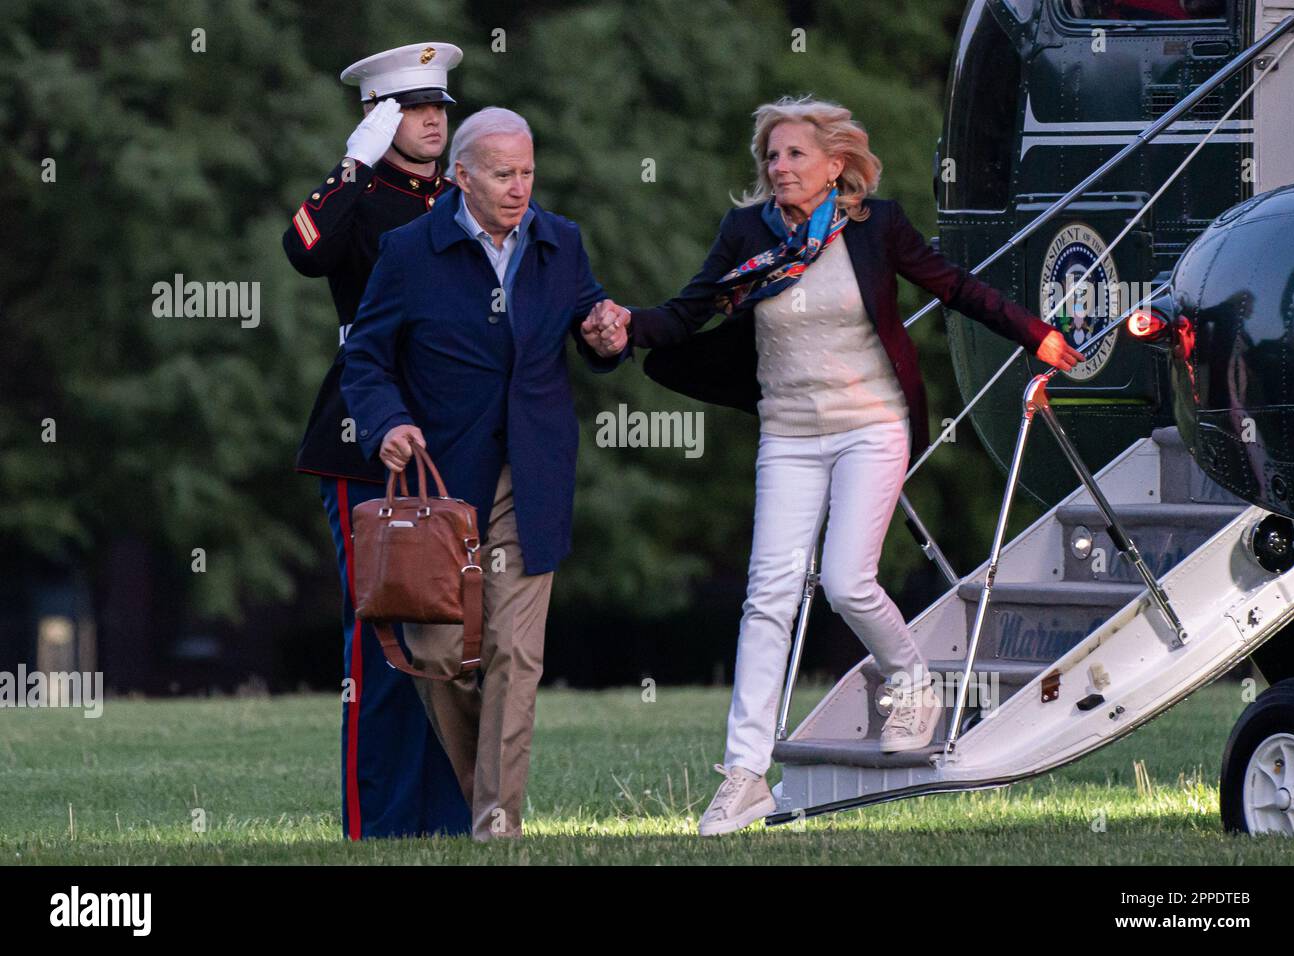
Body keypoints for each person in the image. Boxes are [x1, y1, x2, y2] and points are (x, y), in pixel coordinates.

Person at [593, 95, 1083, 836]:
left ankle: (912, 681)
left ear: (835, 165)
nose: (779, 167)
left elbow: (954, 287)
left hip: (872, 425)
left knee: (850, 583)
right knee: (769, 596)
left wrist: (1034, 334)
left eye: (794, 154)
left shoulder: (875, 226)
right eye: (771, 156)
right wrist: (625, 326)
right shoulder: (746, 234)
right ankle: (745, 775)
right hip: (788, 433)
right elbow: (687, 313)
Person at [340, 107, 631, 841]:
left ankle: (497, 827)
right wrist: (389, 423)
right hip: (442, 484)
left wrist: (604, 335)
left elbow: (590, 322)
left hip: (531, 476)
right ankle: (483, 801)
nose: (518, 187)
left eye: (527, 171)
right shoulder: (409, 251)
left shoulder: (559, 241)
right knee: (438, 653)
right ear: (462, 175)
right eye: (502, 174)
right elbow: (365, 358)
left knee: (515, 651)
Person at [281, 42, 470, 840]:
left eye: (439, 109)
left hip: (455, 434)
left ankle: (454, 821)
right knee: (388, 637)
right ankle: (385, 828)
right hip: (367, 439)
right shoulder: (360, 197)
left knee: (458, 641)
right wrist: (349, 168)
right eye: (412, 109)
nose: (432, 121)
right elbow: (304, 250)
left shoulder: (464, 202)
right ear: (378, 119)